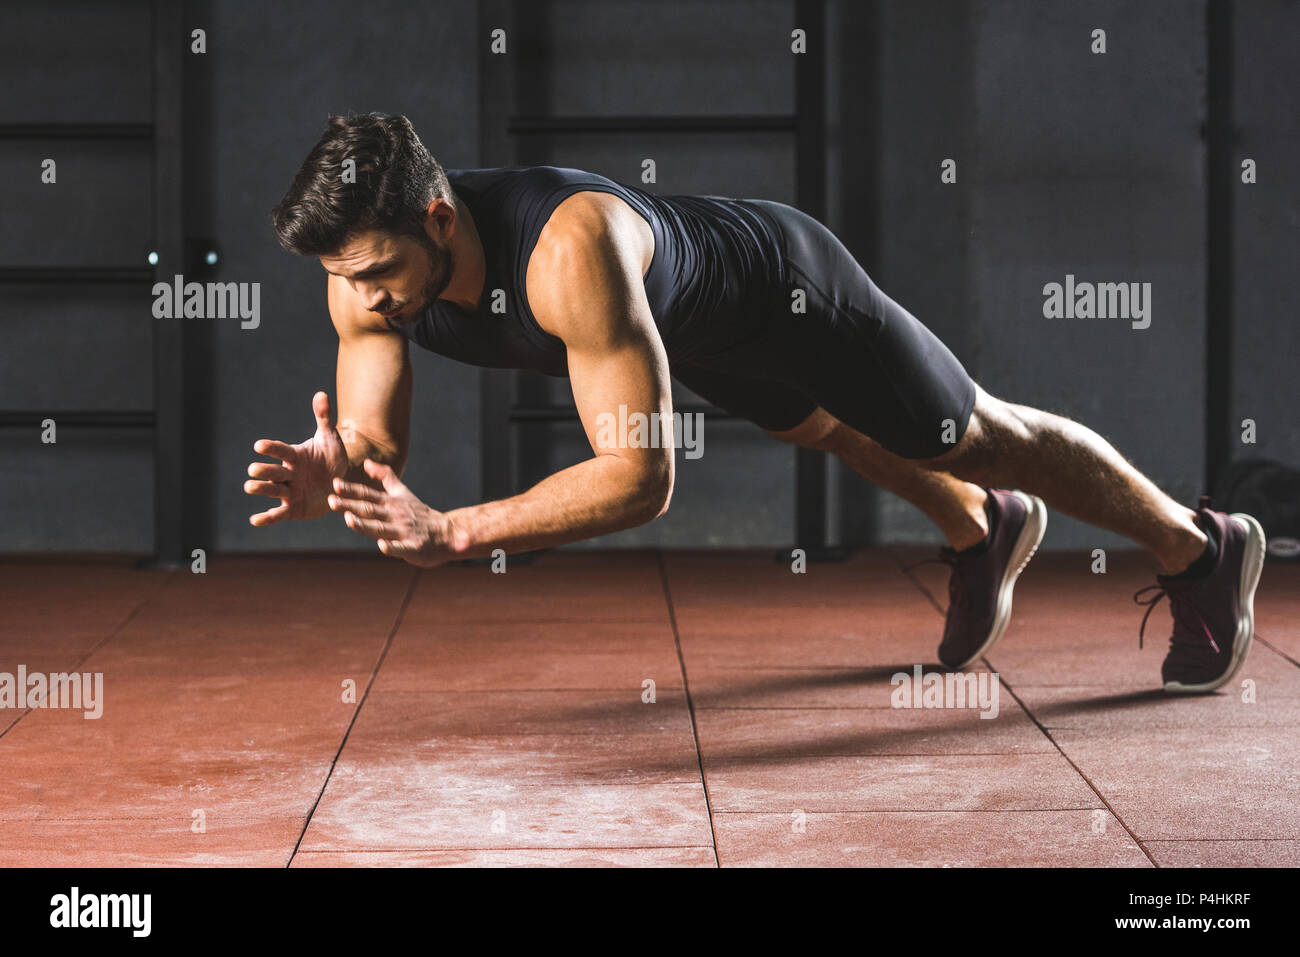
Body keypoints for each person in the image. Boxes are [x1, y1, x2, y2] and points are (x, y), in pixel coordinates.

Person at [249, 112, 1264, 694]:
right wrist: (326, 464)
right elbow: (373, 438)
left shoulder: (568, 253)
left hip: (789, 285)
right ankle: (979, 528)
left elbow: (639, 477)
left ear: (436, 217)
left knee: (971, 433)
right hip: (698, 333)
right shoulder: (361, 273)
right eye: (351, 279)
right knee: (821, 428)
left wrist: (460, 531)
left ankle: (1199, 545)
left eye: (381, 271)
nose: (369, 299)